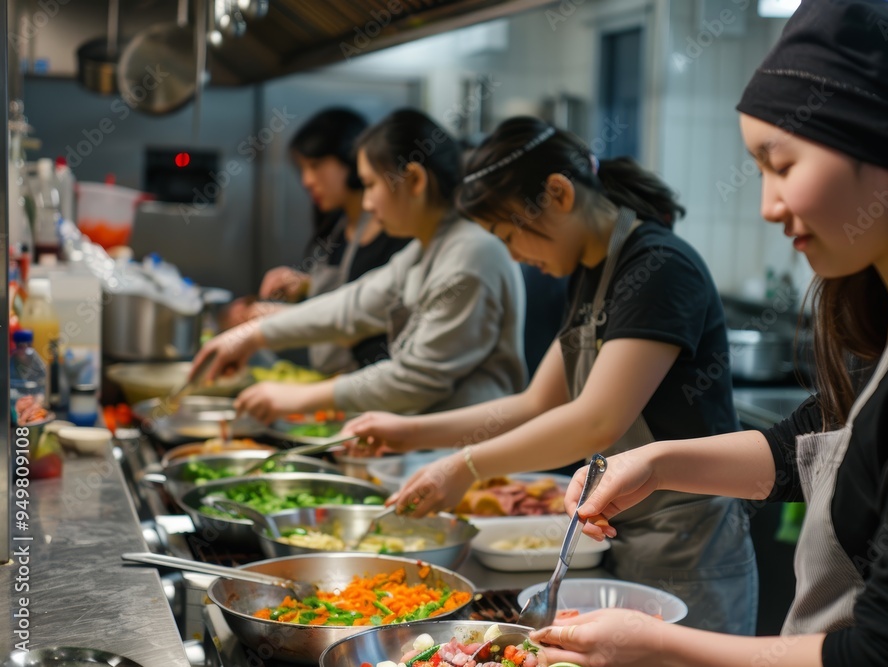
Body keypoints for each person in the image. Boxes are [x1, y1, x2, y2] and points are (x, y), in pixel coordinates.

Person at [533, 1, 888, 665]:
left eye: (782, 166)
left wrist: (657, 643)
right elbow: (809, 447)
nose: (767, 206)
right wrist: (658, 464)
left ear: (885, 150)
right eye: (759, 172)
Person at [344, 116, 758, 634]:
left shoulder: (659, 267)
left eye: (509, 234)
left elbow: (596, 421)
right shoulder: (590, 271)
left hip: (687, 549)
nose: (513, 255)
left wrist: (465, 466)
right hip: (619, 533)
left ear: (559, 194)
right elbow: (536, 402)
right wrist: (408, 432)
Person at [193, 108, 527, 419]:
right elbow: (351, 307)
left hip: (471, 453)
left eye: (370, 185)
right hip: (427, 444)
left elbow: (417, 379)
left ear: (414, 180)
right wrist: (253, 335)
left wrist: (300, 396)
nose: (366, 202)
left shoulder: (470, 254)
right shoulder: (426, 248)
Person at [224, 107, 409, 374]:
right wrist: (303, 285)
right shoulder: (336, 226)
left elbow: (361, 316)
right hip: (334, 379)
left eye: (315, 165)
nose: (306, 181)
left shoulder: (396, 236)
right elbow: (344, 300)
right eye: (301, 168)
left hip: (364, 382)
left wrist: (269, 319)